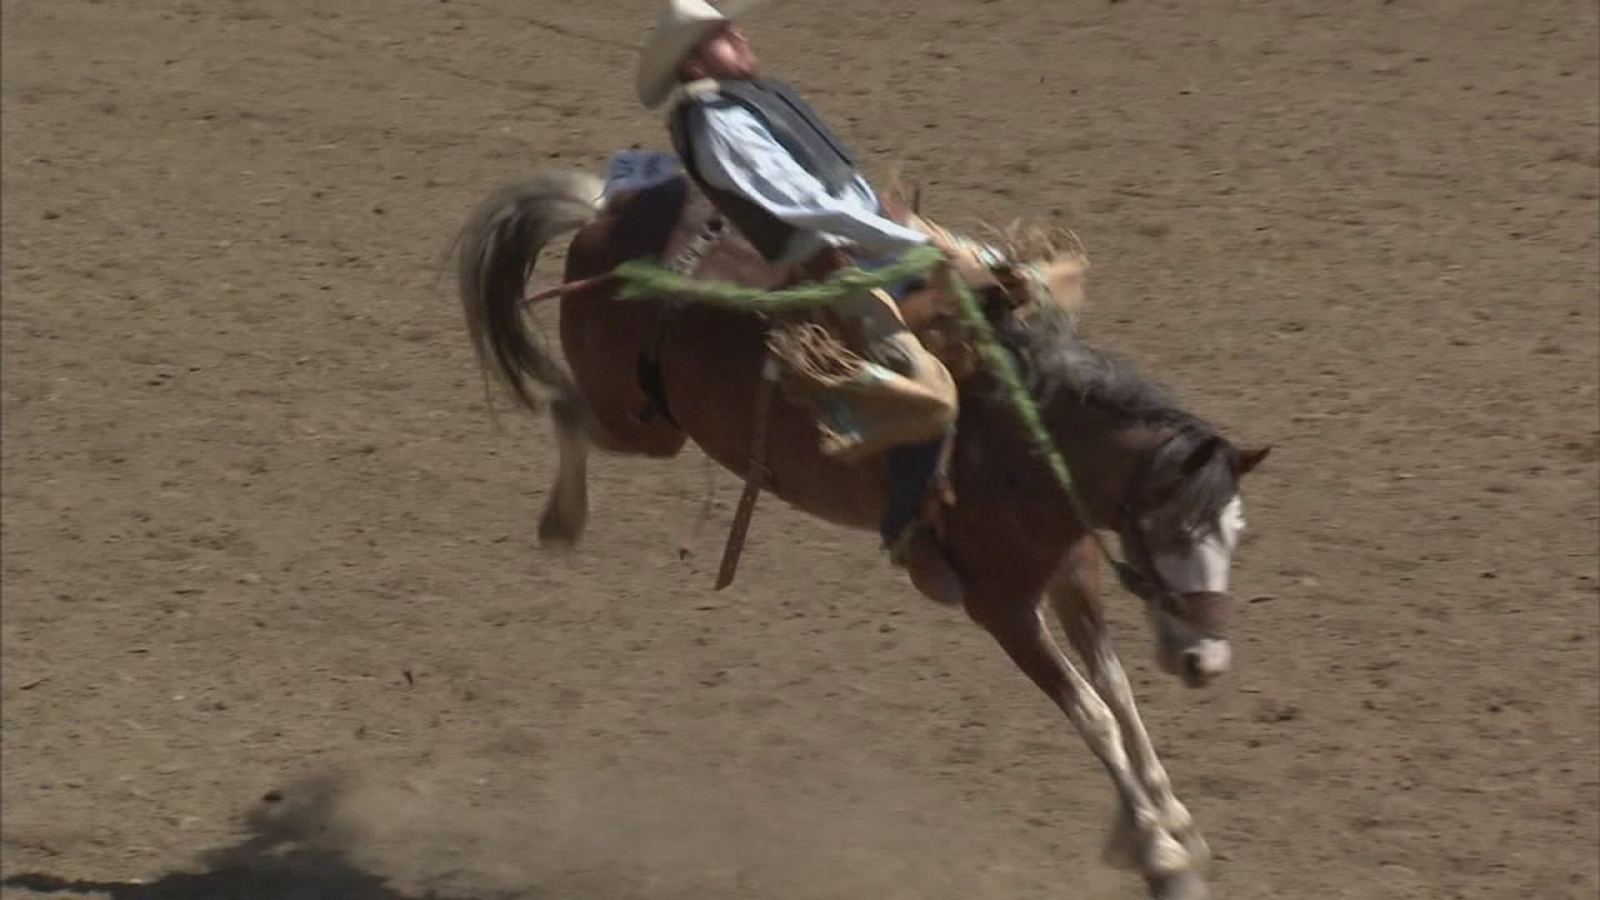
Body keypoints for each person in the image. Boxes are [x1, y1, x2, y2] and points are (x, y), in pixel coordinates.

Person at [635, 0, 985, 605]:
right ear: (693, 64)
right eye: (719, 35)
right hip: (836, 270)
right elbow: (808, 209)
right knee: (921, 385)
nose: (738, 35)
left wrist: (937, 242)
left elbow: (842, 191)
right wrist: (916, 244)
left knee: (1016, 289)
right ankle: (910, 533)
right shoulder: (719, 125)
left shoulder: (754, 99)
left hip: (878, 238)